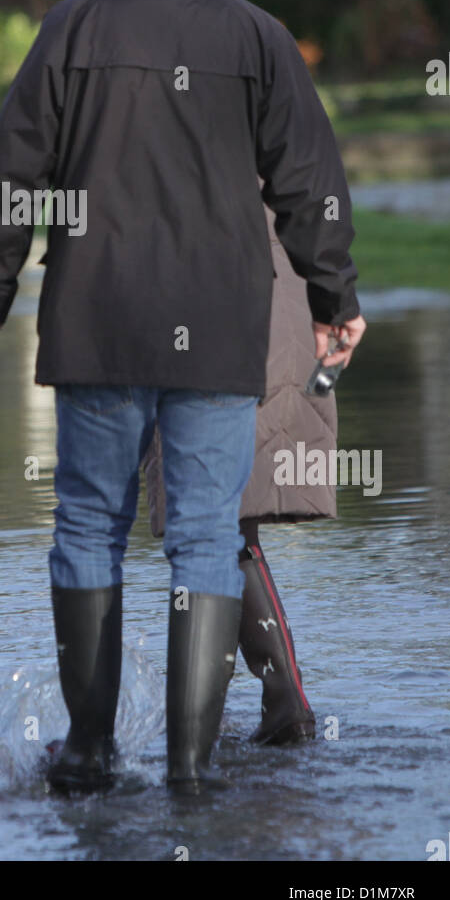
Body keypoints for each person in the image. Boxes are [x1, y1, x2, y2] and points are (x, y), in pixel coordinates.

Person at [0, 0, 366, 793]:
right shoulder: (257, 37)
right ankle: (190, 764)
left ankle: (90, 752)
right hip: (219, 320)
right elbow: (310, 183)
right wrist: (334, 298)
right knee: (206, 536)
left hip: (97, 316)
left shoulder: (69, 29)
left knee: (89, 526)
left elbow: (11, 169)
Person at [143, 201, 338, 746]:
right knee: (221, 526)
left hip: (217, 315)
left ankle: (255, 709)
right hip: (279, 308)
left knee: (213, 524)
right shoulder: (284, 118)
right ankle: (243, 709)